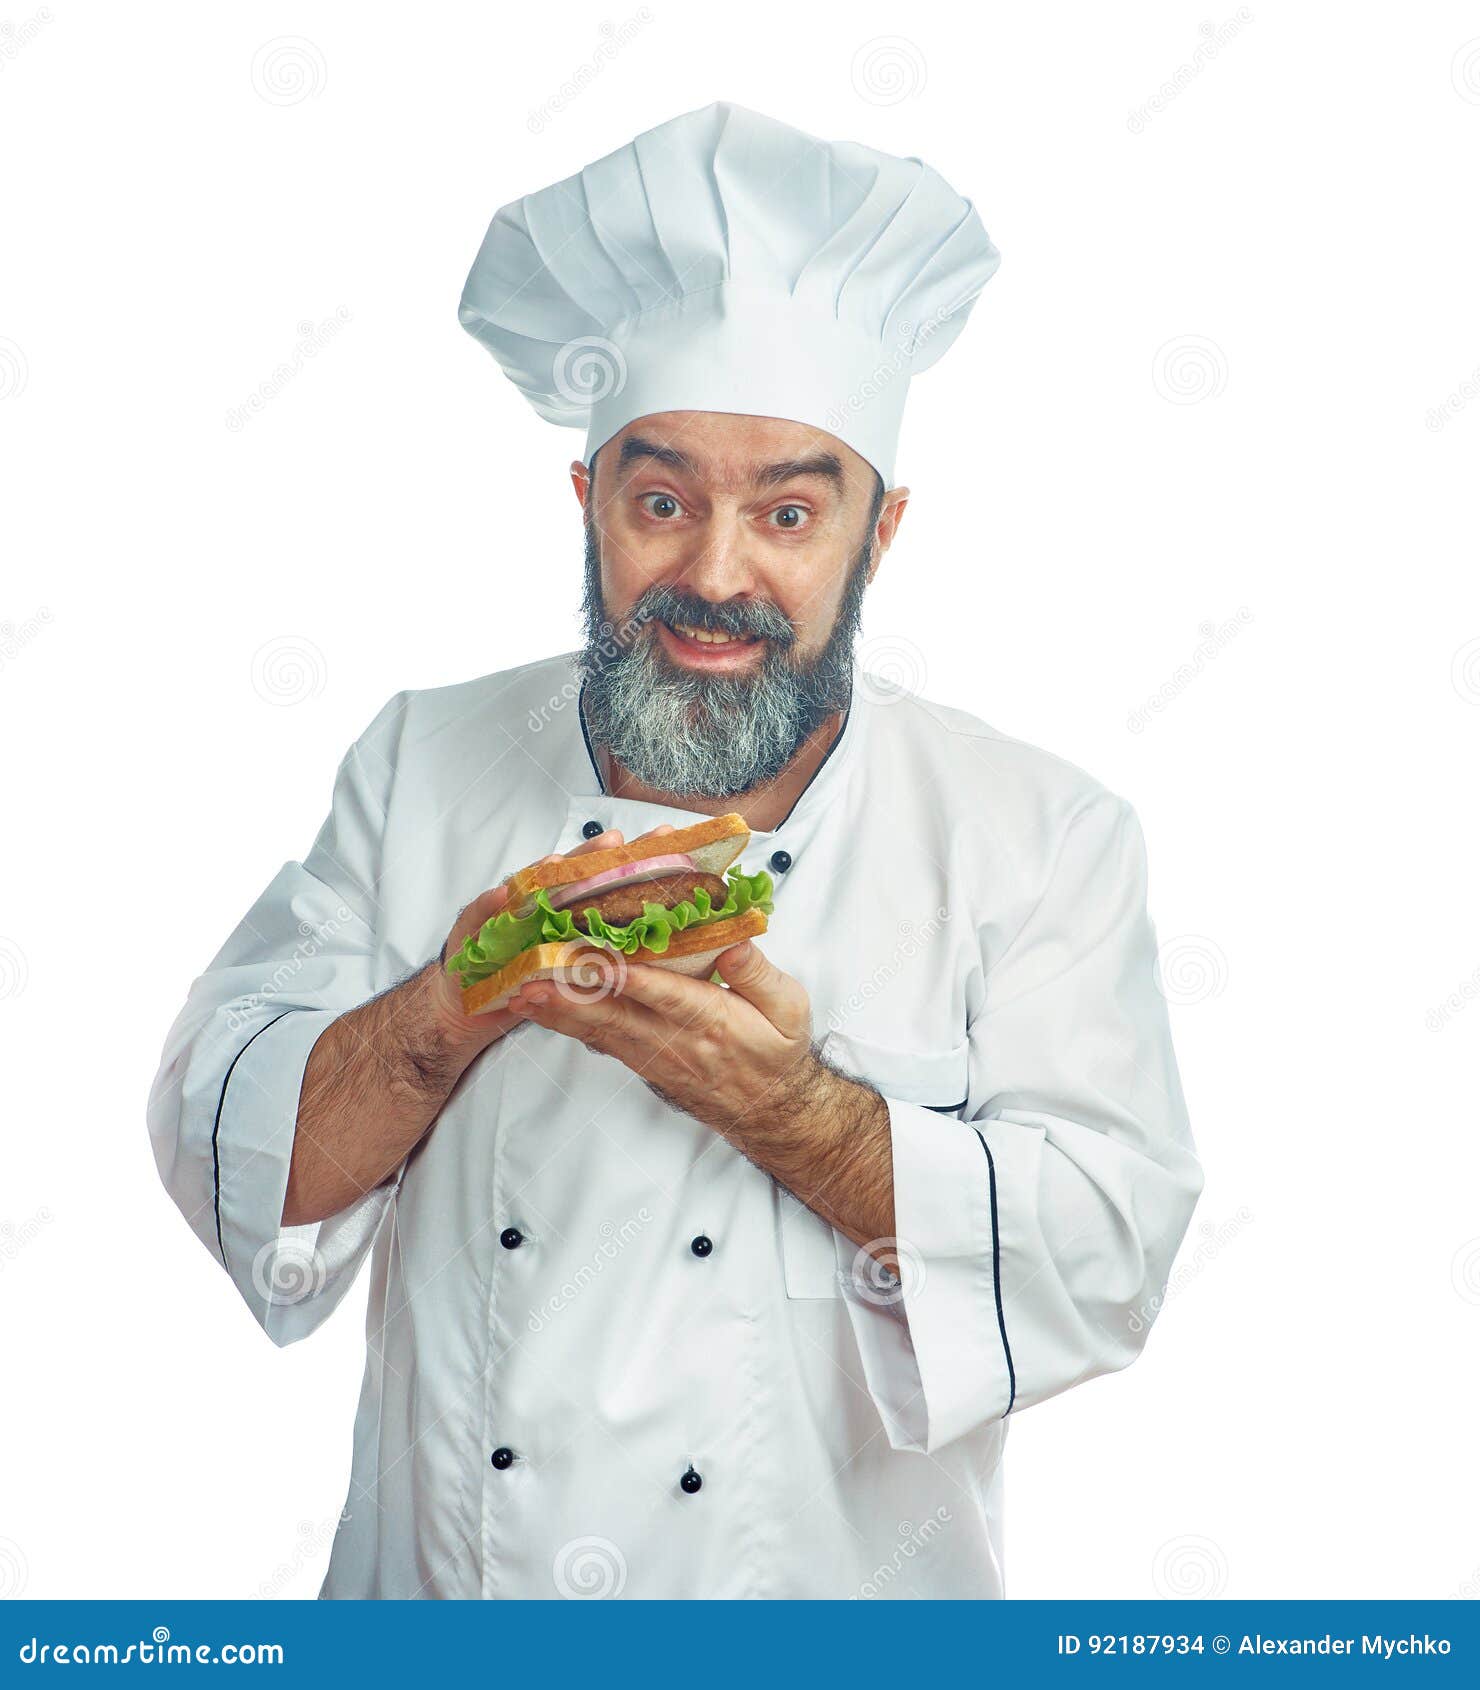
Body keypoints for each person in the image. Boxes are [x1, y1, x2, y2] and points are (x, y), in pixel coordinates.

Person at [147, 100, 1203, 1599]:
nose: (716, 573)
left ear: (880, 534)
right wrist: (453, 1003)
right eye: (661, 501)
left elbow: (1109, 1253)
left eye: (789, 512)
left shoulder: (1037, 834)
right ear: (587, 502)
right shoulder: (422, 758)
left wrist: (794, 1113)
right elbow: (236, 1144)